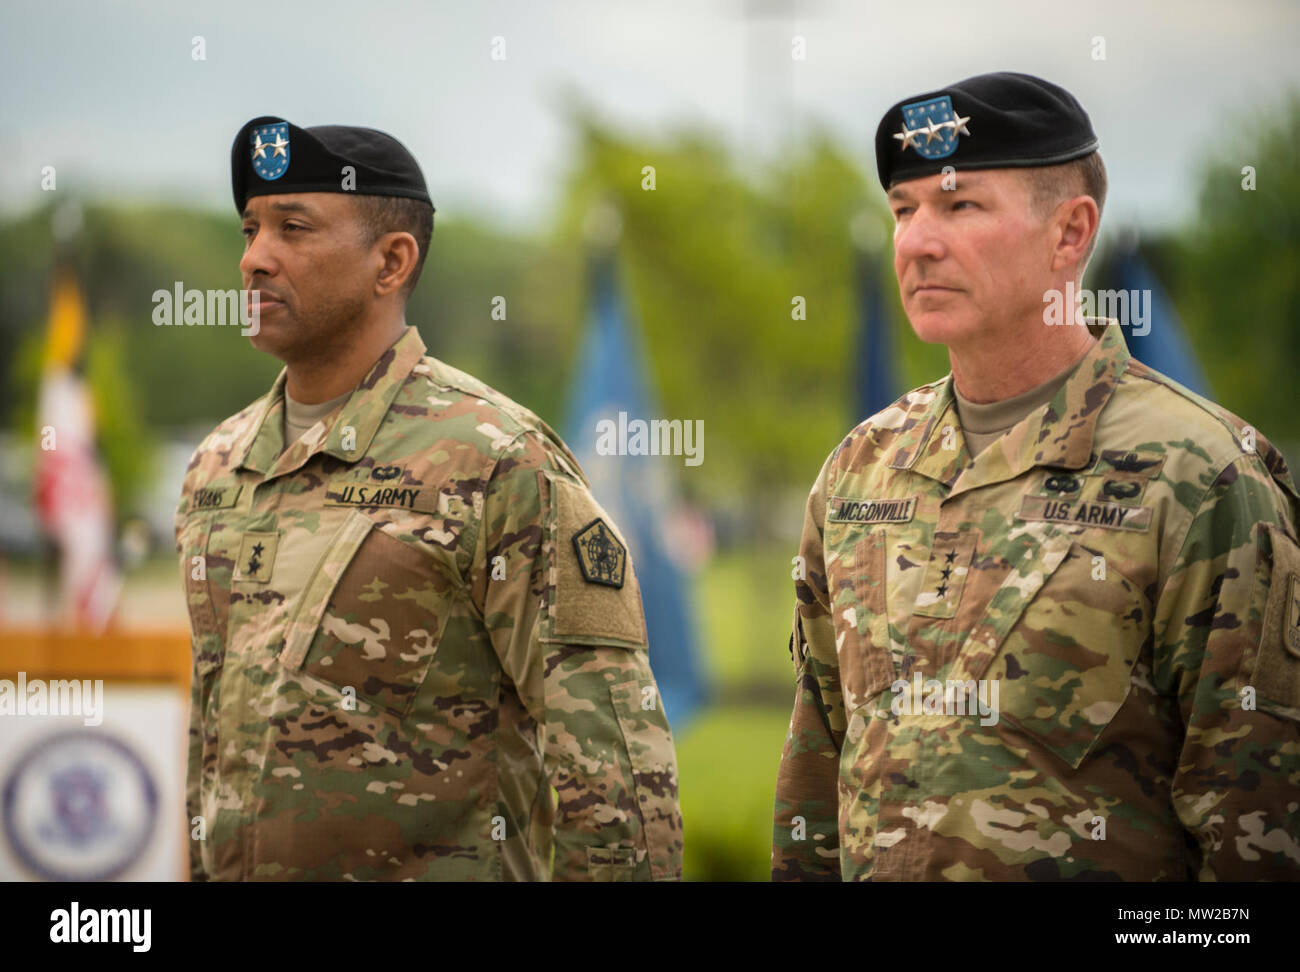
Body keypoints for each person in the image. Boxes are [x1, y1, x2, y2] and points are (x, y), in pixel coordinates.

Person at [771, 73, 1300, 880]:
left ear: (1069, 233)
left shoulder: (1200, 480)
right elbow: (816, 782)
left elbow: (1259, 846)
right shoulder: (859, 473)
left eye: (960, 206)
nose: (915, 242)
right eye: (904, 210)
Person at [176, 115, 682, 881]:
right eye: (250, 229)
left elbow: (615, 776)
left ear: (391, 262)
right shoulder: (219, 466)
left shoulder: (496, 461)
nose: (254, 259)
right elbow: (213, 742)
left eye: (294, 228)